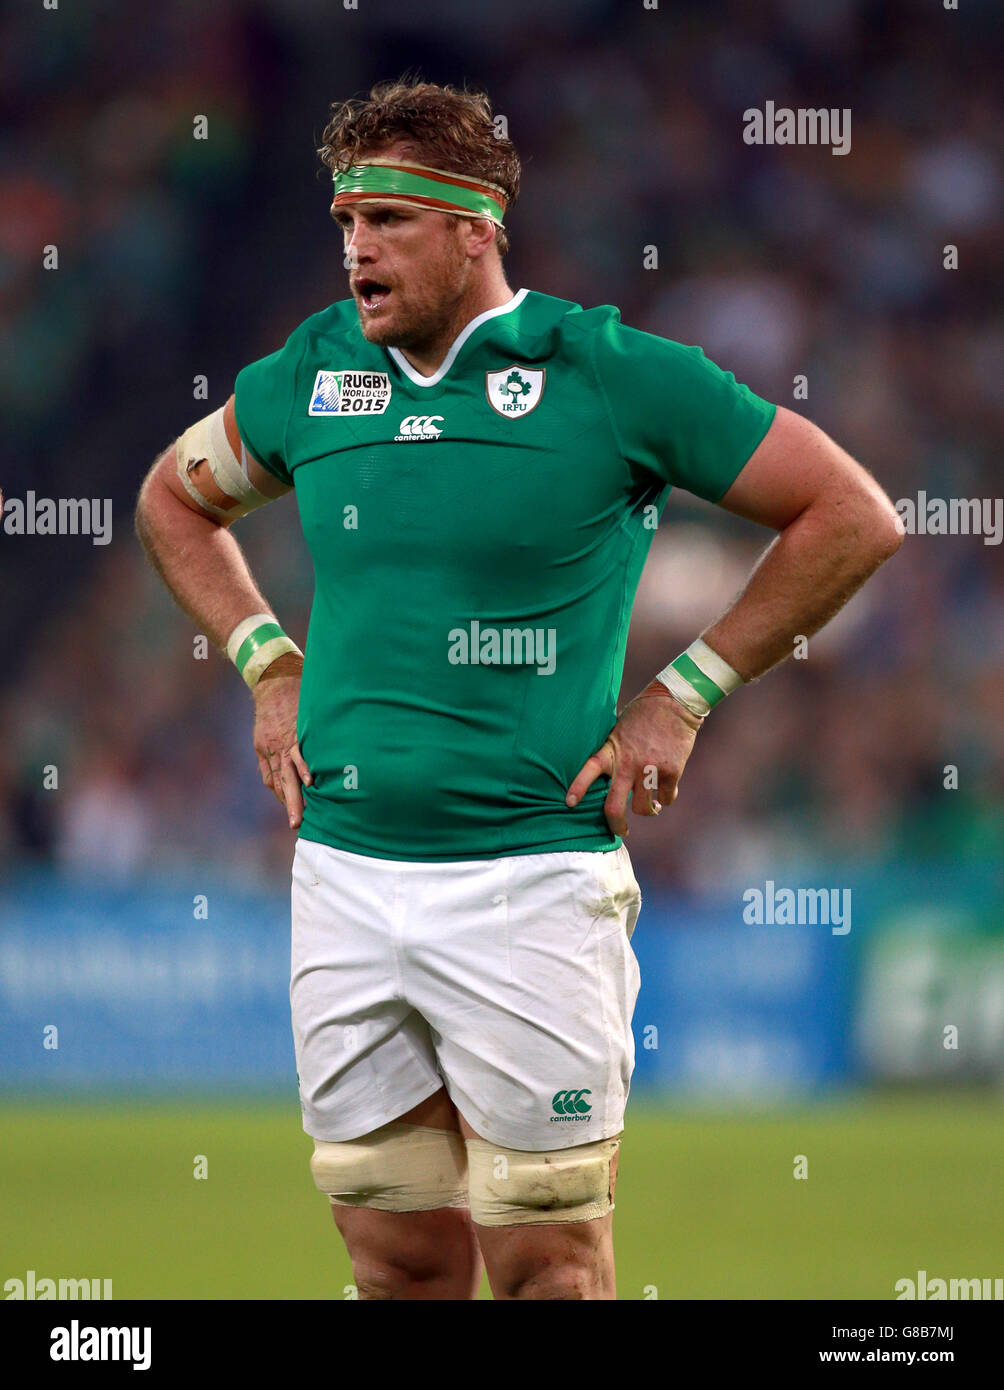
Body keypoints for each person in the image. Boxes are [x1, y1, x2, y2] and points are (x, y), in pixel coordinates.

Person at [135, 79, 903, 1300]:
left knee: (547, 1261)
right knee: (393, 1260)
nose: (356, 247)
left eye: (386, 218)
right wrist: (264, 658)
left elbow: (850, 514)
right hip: (341, 878)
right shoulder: (312, 375)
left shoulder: (608, 373)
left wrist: (685, 691)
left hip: (529, 887)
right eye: (344, 220)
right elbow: (173, 499)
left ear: (474, 228)